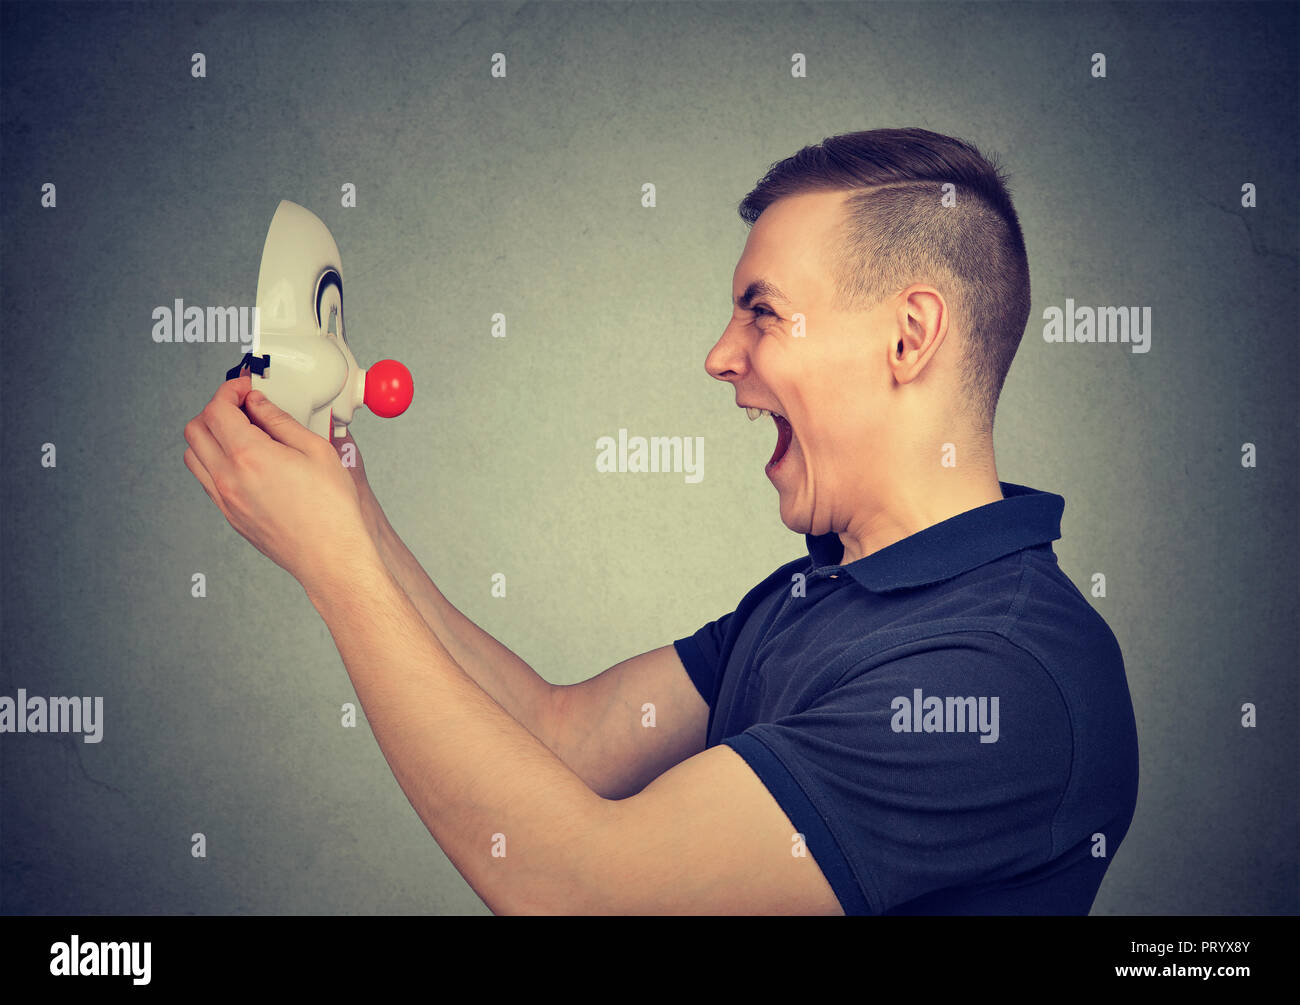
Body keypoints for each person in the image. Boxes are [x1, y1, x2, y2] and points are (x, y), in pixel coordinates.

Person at [184, 127, 1139, 914]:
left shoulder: (1004, 677)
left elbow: (590, 891)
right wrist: (348, 502)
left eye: (762, 314)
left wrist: (333, 566)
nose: (720, 356)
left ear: (908, 334)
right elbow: (566, 739)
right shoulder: (819, 591)